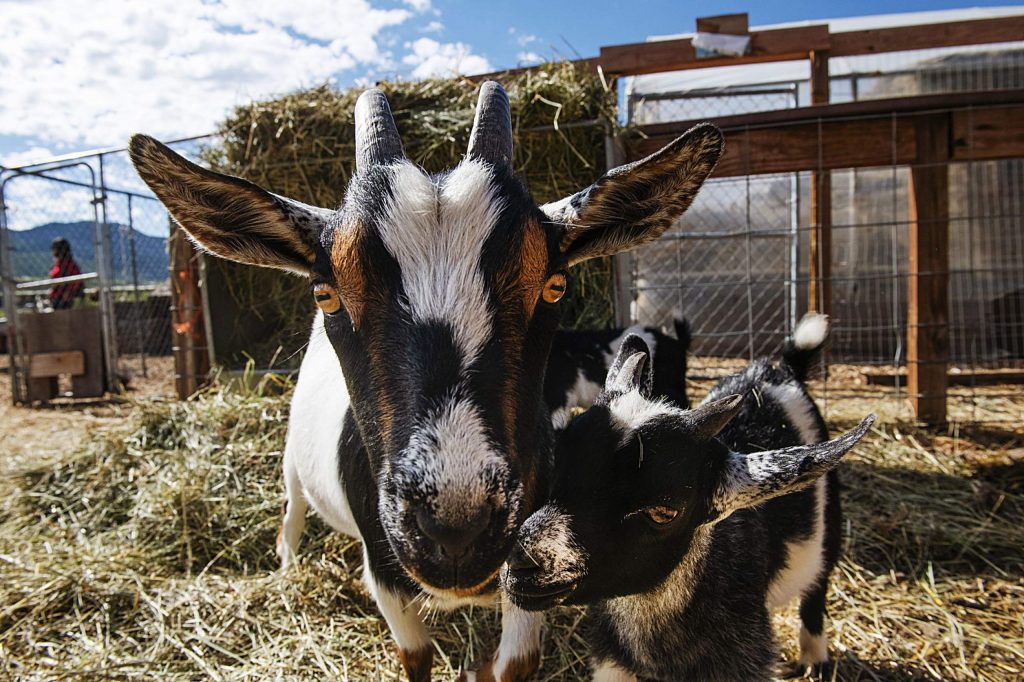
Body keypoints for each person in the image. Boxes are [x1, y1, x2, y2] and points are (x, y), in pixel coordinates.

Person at [48, 238, 84, 310]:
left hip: (65, 302)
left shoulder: (68, 264)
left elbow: (76, 282)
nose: (53, 252)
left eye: (54, 249)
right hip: (58, 301)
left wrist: (69, 293)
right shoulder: (59, 264)